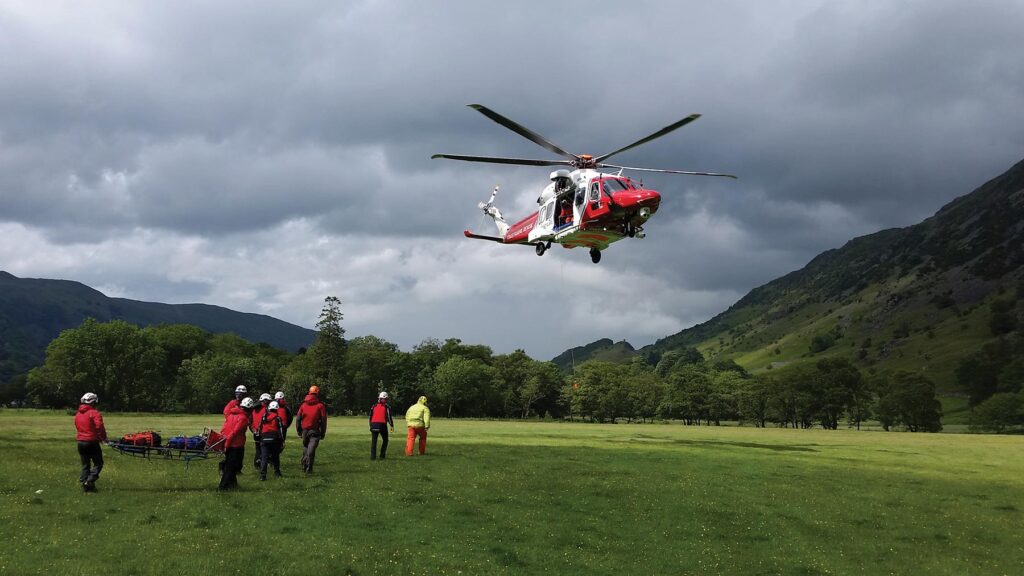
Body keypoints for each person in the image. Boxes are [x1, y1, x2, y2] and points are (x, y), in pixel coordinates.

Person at [219, 396, 254, 490]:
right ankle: (223, 487)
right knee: (233, 467)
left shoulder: (231, 415)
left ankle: (233, 484)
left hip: (228, 443)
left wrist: (224, 441)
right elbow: (234, 432)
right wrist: (227, 444)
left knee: (231, 466)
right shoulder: (243, 418)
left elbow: (224, 429)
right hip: (236, 445)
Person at [74, 392, 107, 493]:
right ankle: (89, 480)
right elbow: (99, 426)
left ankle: (86, 484)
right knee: (98, 463)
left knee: (85, 465)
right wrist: (103, 438)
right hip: (91, 442)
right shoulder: (94, 413)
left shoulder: (78, 414)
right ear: (94, 402)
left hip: (80, 442)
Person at [295, 385, 327, 474]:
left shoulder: (303, 405)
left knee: (306, 446)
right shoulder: (320, 405)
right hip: (315, 431)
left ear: (309, 393)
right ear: (317, 393)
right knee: (311, 450)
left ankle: (305, 464)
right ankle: (309, 467)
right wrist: (323, 432)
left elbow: (298, 419)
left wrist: (299, 431)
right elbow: (324, 420)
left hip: (304, 431)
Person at [256, 400, 286, 480]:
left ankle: (262, 475)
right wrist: (282, 441)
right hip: (274, 440)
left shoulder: (264, 417)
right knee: (276, 456)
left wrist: (259, 439)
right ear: (277, 409)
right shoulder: (277, 418)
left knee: (264, 458)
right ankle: (277, 472)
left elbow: (260, 428)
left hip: (264, 439)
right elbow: (280, 430)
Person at [369, 391, 395, 460]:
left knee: (374, 442)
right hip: (382, 425)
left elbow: (370, 417)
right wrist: (392, 425)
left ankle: (373, 457)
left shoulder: (374, 406)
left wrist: (371, 425)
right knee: (385, 440)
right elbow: (389, 417)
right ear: (386, 399)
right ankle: (382, 456)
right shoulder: (387, 407)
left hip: (373, 425)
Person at [251, 393, 272, 470]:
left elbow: (252, 421)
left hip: (255, 432)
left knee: (257, 448)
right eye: (268, 401)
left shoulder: (254, 410)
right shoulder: (266, 410)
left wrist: (253, 430)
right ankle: (262, 463)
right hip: (263, 432)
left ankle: (256, 463)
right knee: (264, 449)